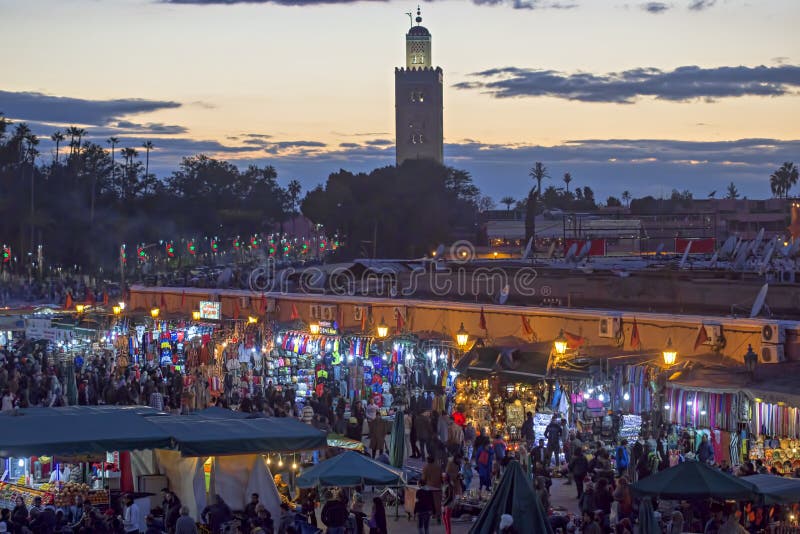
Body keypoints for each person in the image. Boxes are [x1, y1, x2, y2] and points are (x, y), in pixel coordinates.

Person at [421, 456, 443, 522]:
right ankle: (438, 515)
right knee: (437, 501)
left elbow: (423, 479)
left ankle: (430, 515)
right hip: (438, 486)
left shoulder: (426, 467)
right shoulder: (439, 467)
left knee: (429, 502)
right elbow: (441, 477)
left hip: (429, 487)